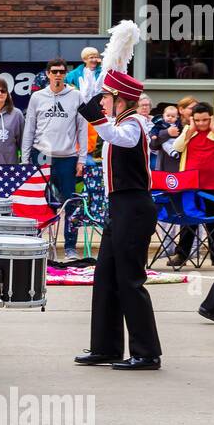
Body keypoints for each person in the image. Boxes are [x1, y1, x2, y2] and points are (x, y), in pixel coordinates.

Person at [73, 60, 163, 371]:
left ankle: (147, 352)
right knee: (106, 276)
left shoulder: (135, 122)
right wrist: (96, 115)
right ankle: (106, 347)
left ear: (120, 100)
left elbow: (118, 137)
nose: (103, 102)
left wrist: (95, 117)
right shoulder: (119, 121)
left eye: (107, 97)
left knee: (130, 279)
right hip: (120, 206)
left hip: (134, 207)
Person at [21, 57, 89, 259]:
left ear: (65, 74)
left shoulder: (76, 96)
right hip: (41, 155)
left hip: (67, 156)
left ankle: (69, 247)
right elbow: (29, 128)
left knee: (71, 204)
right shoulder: (37, 97)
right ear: (48, 74)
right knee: (41, 202)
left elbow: (82, 129)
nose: (58, 75)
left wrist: (82, 159)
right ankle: (41, 243)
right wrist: (25, 160)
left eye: (61, 71)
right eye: (54, 71)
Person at [169, 101, 214, 267]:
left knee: (213, 222)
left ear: (212, 118)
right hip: (190, 184)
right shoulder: (189, 131)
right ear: (192, 119)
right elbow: (177, 147)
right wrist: (190, 131)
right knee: (188, 222)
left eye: (205, 120)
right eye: (198, 120)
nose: (201, 123)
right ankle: (182, 255)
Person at [150, 103, 183, 173]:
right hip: (165, 152)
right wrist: (155, 135)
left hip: (176, 143)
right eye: (168, 116)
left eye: (173, 116)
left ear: (177, 117)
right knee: (165, 144)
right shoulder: (161, 123)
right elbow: (155, 130)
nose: (170, 117)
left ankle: (173, 151)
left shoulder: (179, 124)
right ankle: (172, 151)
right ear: (163, 116)